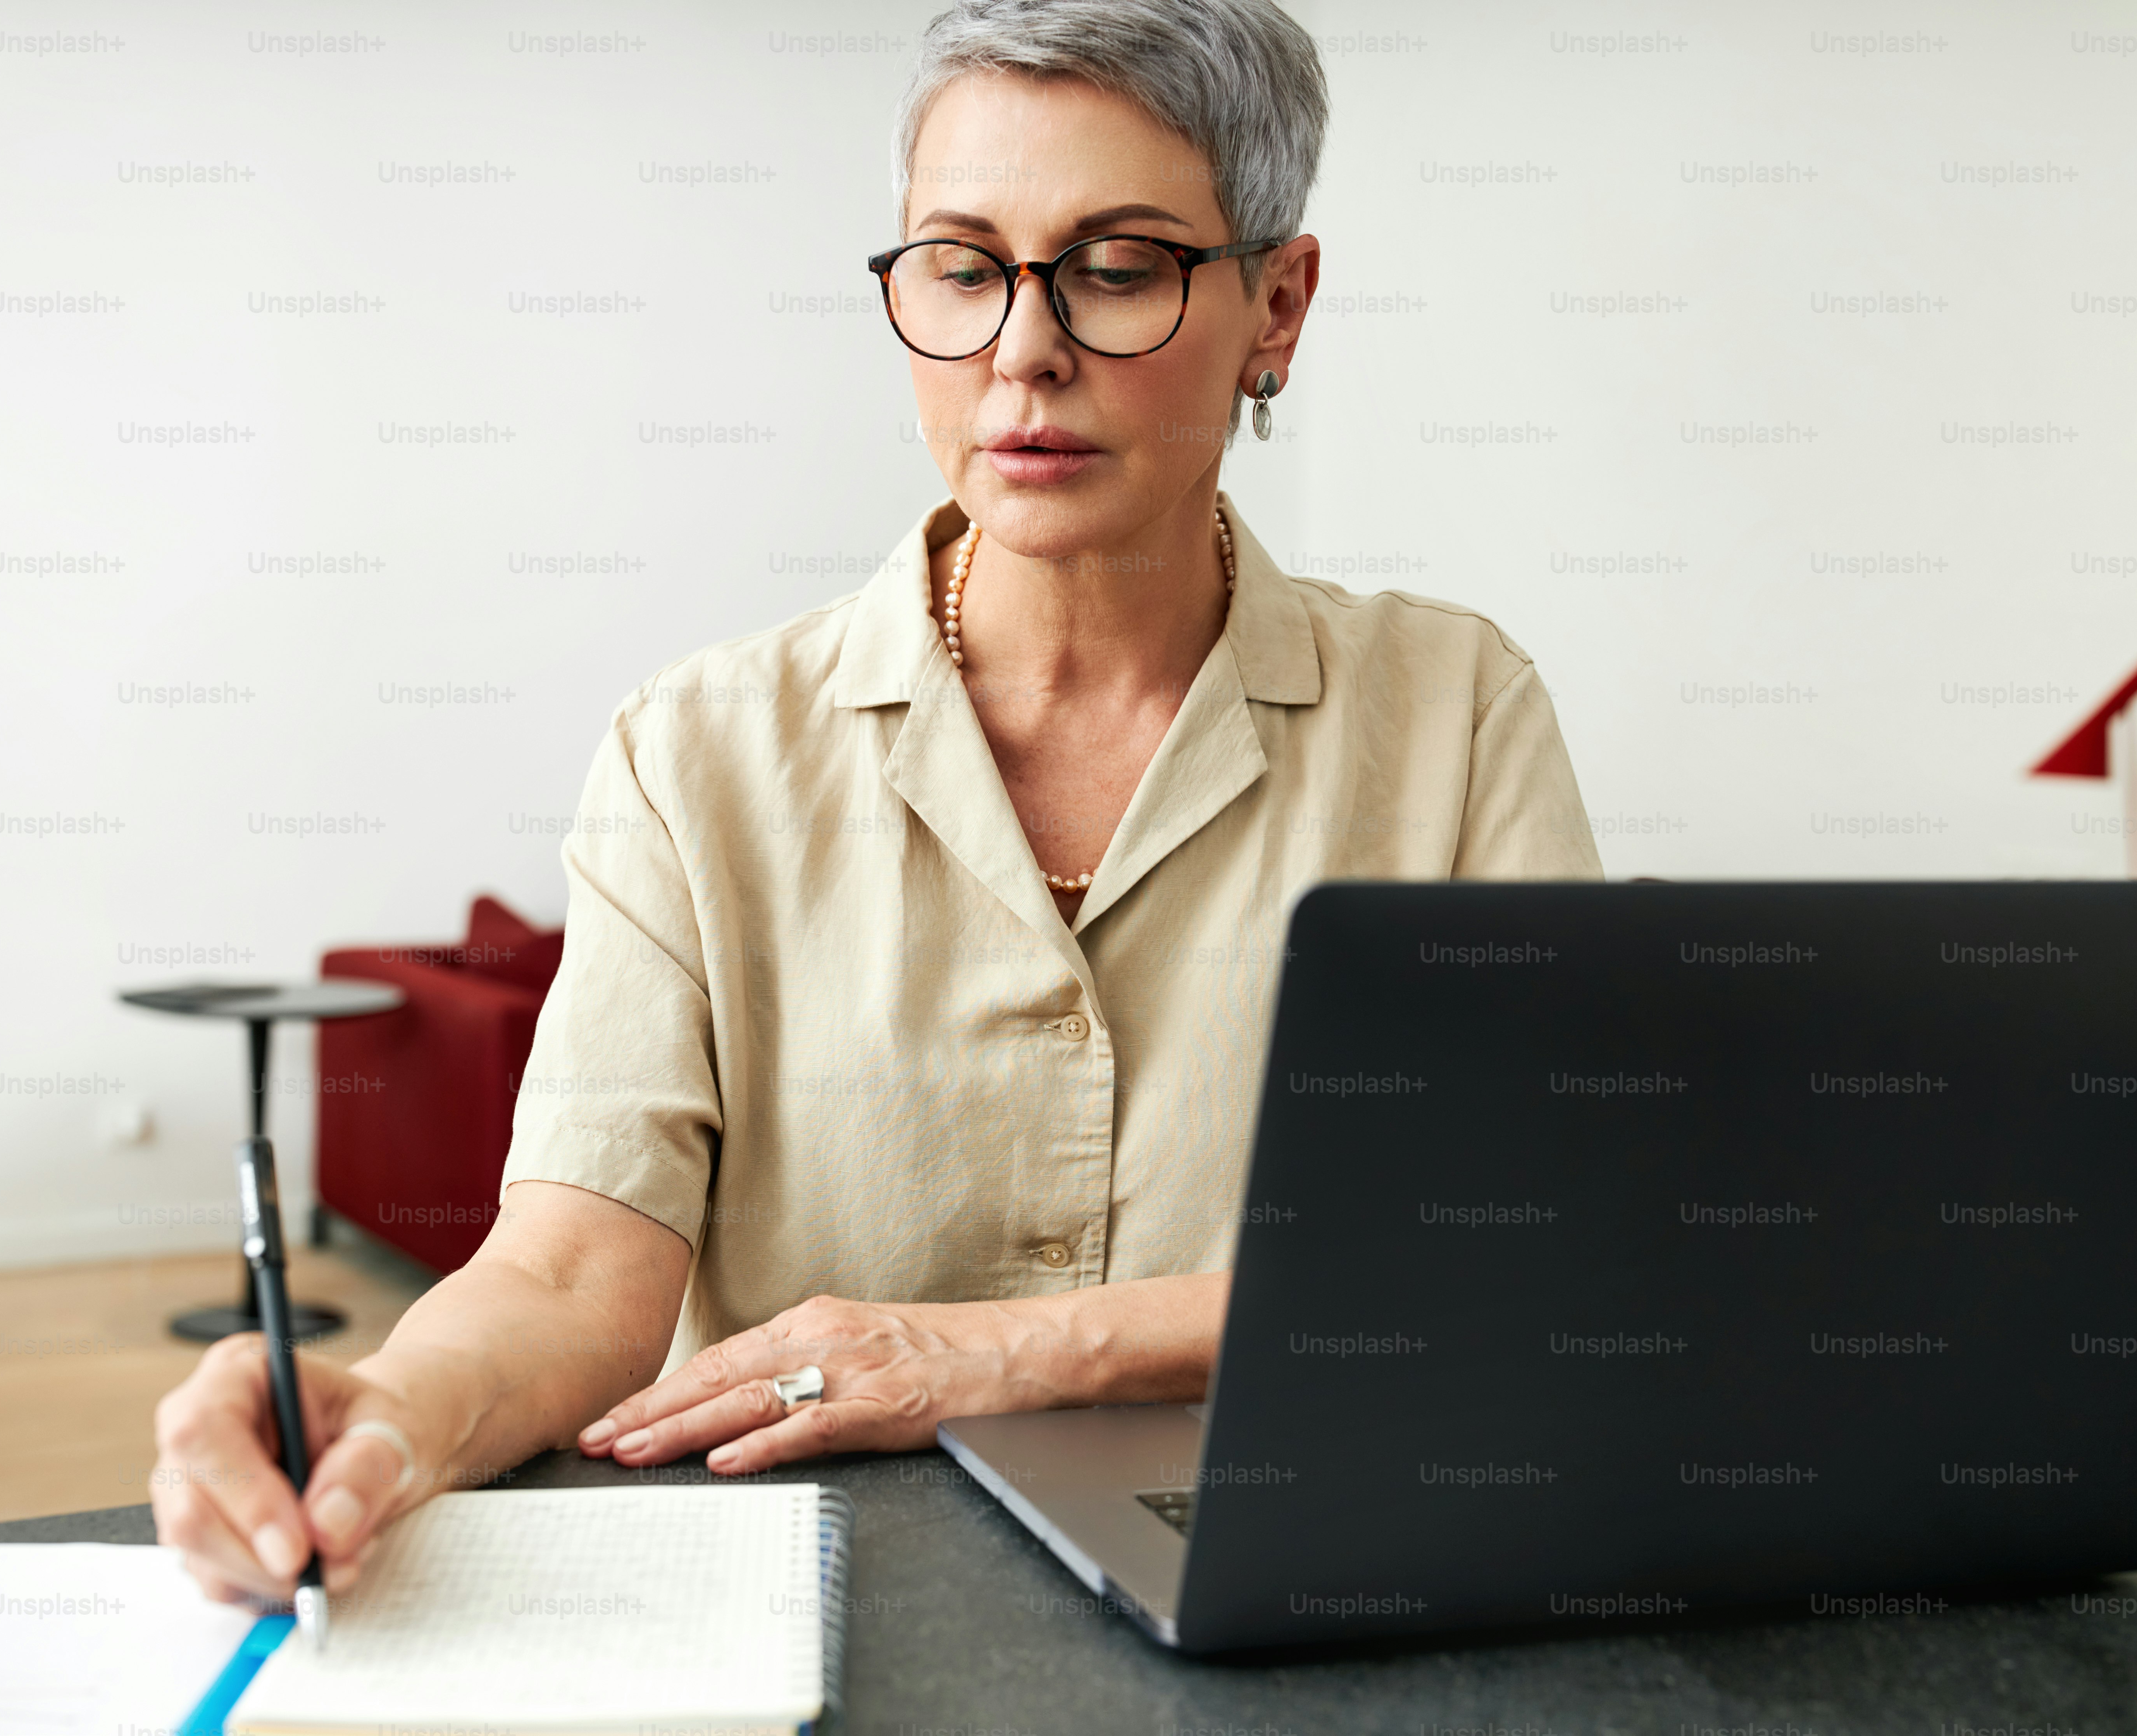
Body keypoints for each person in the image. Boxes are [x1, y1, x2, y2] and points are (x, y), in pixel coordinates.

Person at [152, 0, 1599, 1606]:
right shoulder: (692, 752)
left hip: (1314, 1580)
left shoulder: (1457, 718)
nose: (1023, 348)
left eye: (1117, 267)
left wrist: (984, 1354)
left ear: (1280, 304)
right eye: (963, 266)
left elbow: (1524, 1260)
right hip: (822, 1607)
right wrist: (390, 1415)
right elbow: (570, 1270)